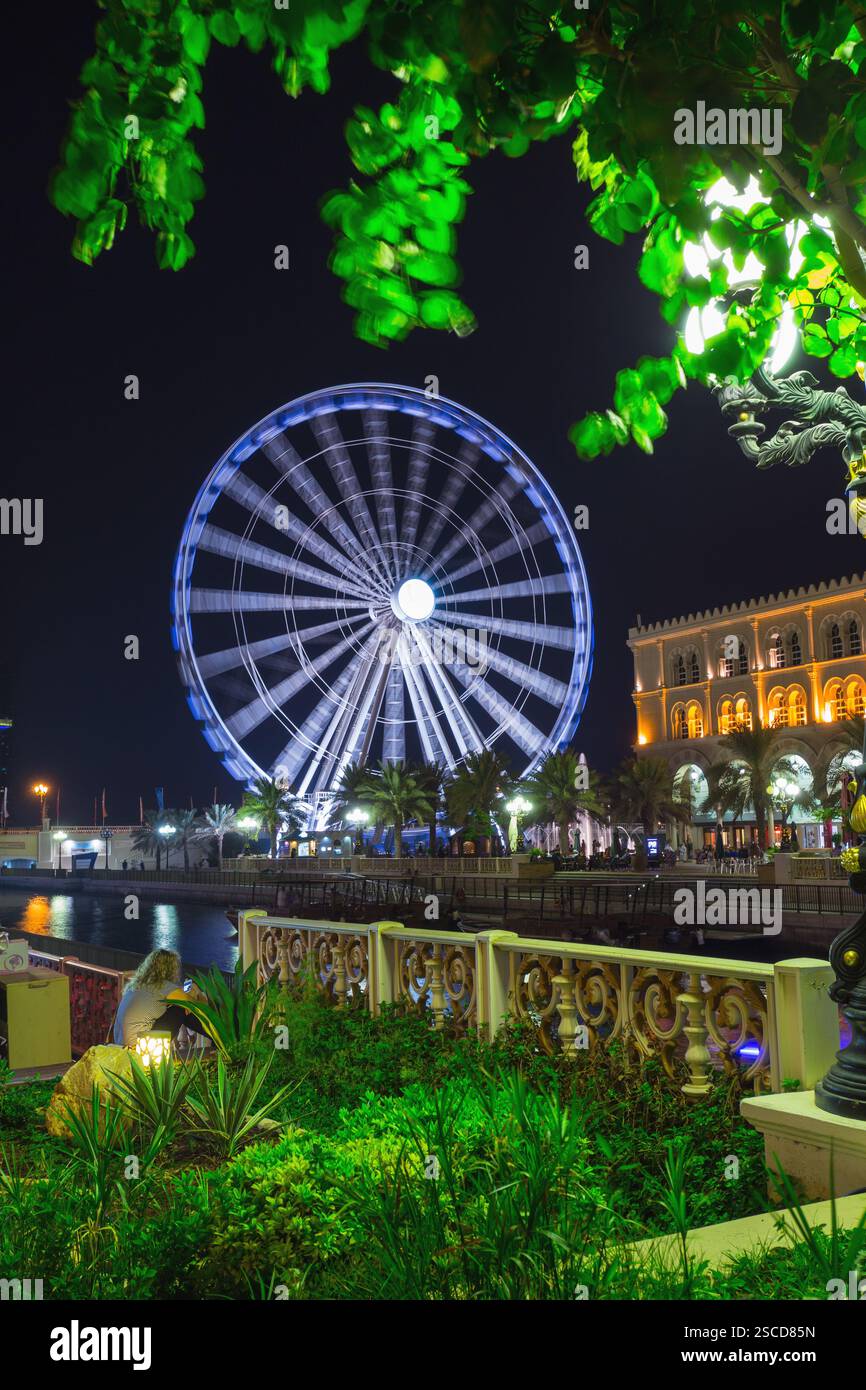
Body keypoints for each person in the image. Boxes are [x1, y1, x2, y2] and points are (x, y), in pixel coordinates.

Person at [113, 948, 207, 1050]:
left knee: (178, 1005)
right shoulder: (163, 986)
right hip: (140, 1049)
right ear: (171, 969)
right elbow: (197, 1006)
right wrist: (196, 991)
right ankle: (217, 1038)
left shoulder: (136, 986)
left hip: (121, 1047)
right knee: (180, 1009)